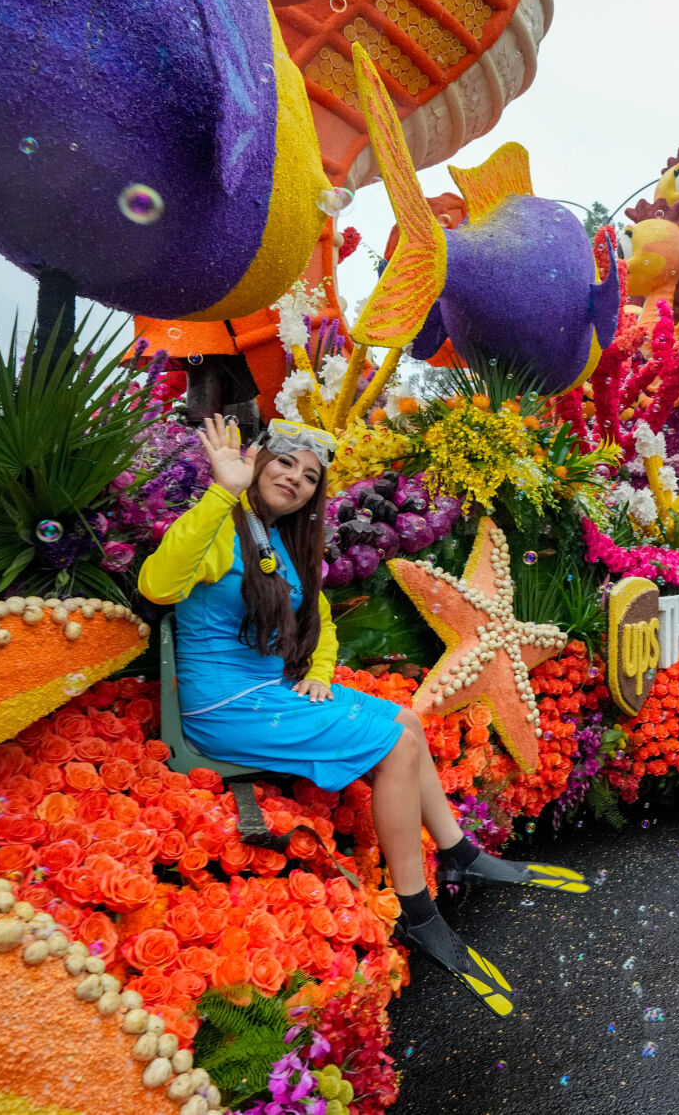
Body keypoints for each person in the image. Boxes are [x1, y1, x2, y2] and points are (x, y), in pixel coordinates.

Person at [138, 415, 581, 1018]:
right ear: (259, 462)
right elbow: (158, 585)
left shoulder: (278, 542)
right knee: (396, 747)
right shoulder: (222, 524)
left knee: (407, 723)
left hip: (274, 692)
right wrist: (224, 489)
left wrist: (319, 676)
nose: (295, 479)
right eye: (286, 463)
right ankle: (416, 912)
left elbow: (316, 622)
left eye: (310, 475)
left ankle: (458, 854)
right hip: (226, 707)